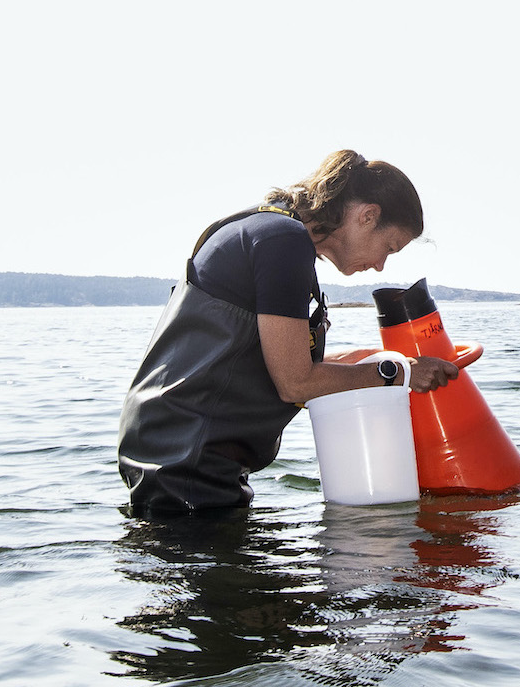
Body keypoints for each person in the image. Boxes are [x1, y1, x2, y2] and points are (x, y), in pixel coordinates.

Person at [118, 150, 463, 515]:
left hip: (177, 457)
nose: (380, 266)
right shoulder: (282, 240)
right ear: (368, 215)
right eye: (388, 248)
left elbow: (269, 359)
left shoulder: (269, 230)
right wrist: (400, 374)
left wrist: (370, 360)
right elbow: (295, 382)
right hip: (187, 468)